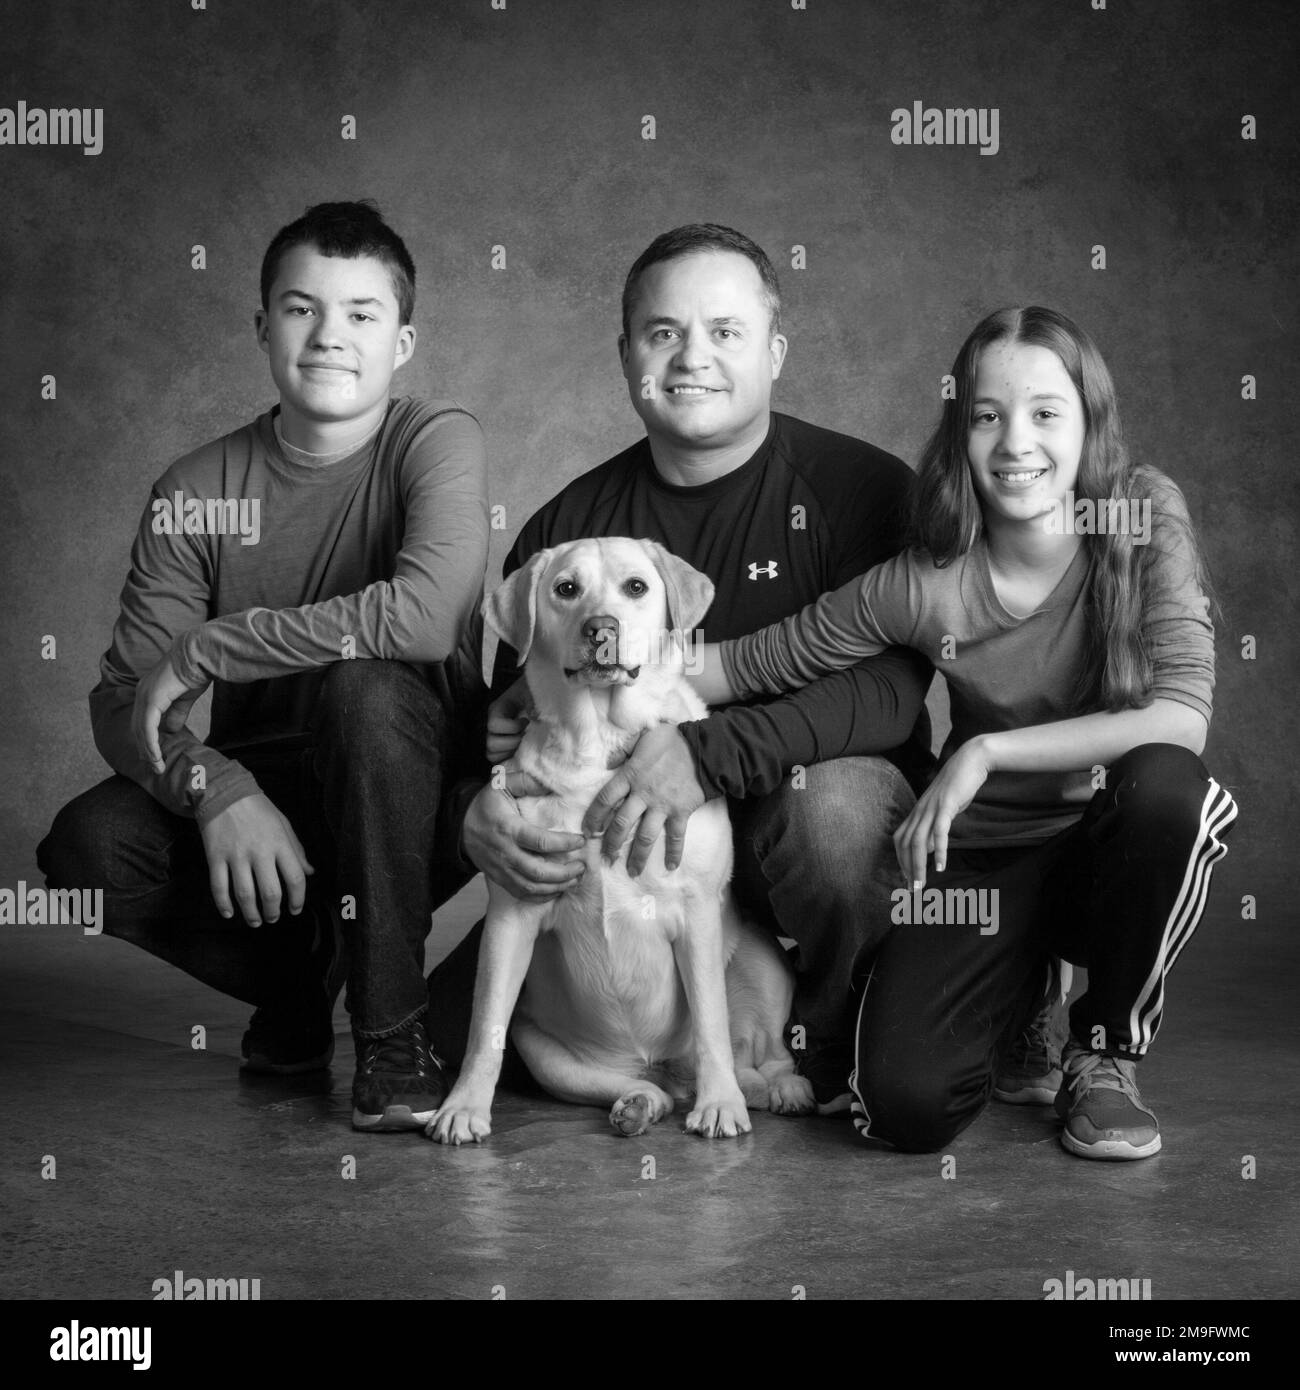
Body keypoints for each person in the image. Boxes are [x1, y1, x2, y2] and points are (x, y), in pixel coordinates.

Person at [693, 305, 1239, 1159]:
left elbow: (1183, 717)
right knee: (903, 1108)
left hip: (1110, 848)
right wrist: (593, 666)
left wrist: (986, 750)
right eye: (987, 416)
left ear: (1090, 423)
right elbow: (757, 661)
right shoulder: (928, 582)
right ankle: (1017, 995)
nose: (1016, 442)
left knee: (1171, 787)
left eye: (1046, 414)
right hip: (986, 866)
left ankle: (1103, 1054)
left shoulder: (1138, 516)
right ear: (961, 432)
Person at [430, 224, 933, 1110]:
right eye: (663, 332)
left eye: (725, 331)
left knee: (836, 813)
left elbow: (891, 694)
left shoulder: (864, 491)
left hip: (795, 815)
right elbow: (504, 710)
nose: (692, 356)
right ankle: (666, 1062)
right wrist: (476, 799)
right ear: (626, 354)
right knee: (443, 1038)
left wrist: (704, 756)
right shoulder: (566, 529)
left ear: (775, 352)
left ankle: (834, 1036)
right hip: (615, 850)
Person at [37, 201, 489, 1133]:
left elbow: (425, 618)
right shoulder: (197, 490)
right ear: (261, 327)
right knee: (88, 849)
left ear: (402, 341)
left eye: (362, 314)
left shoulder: (434, 439)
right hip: (271, 808)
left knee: (365, 691)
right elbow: (126, 698)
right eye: (300, 308)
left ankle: (391, 1034)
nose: (330, 337)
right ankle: (297, 980)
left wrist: (213, 645)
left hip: (418, 787)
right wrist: (213, 782)